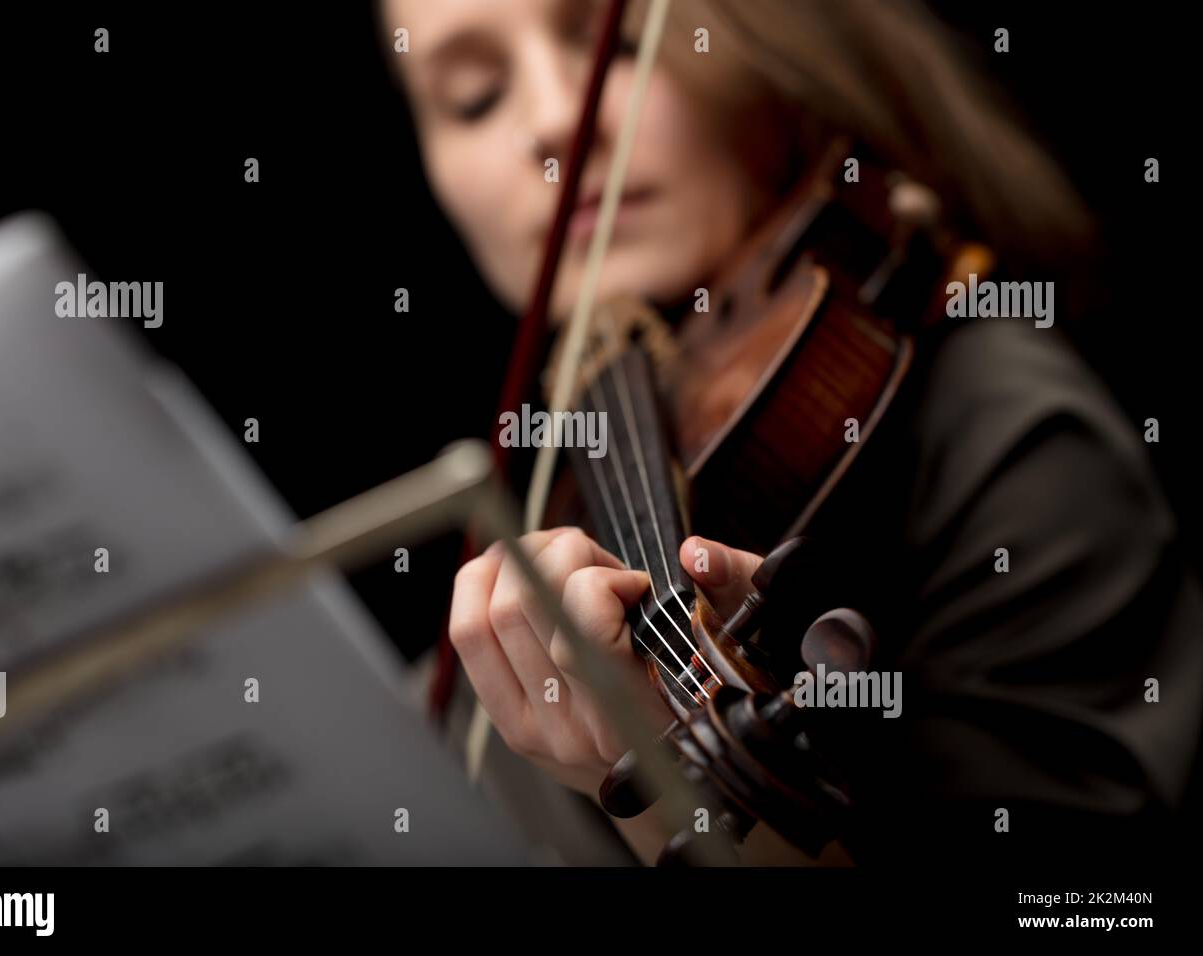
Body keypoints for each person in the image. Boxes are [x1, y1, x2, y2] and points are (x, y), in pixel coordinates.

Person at [379, 0, 1202, 864]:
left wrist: (675, 795)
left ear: (780, 42)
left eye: (618, 45)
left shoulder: (1012, 439)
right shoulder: (594, 430)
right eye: (472, 98)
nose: (552, 120)